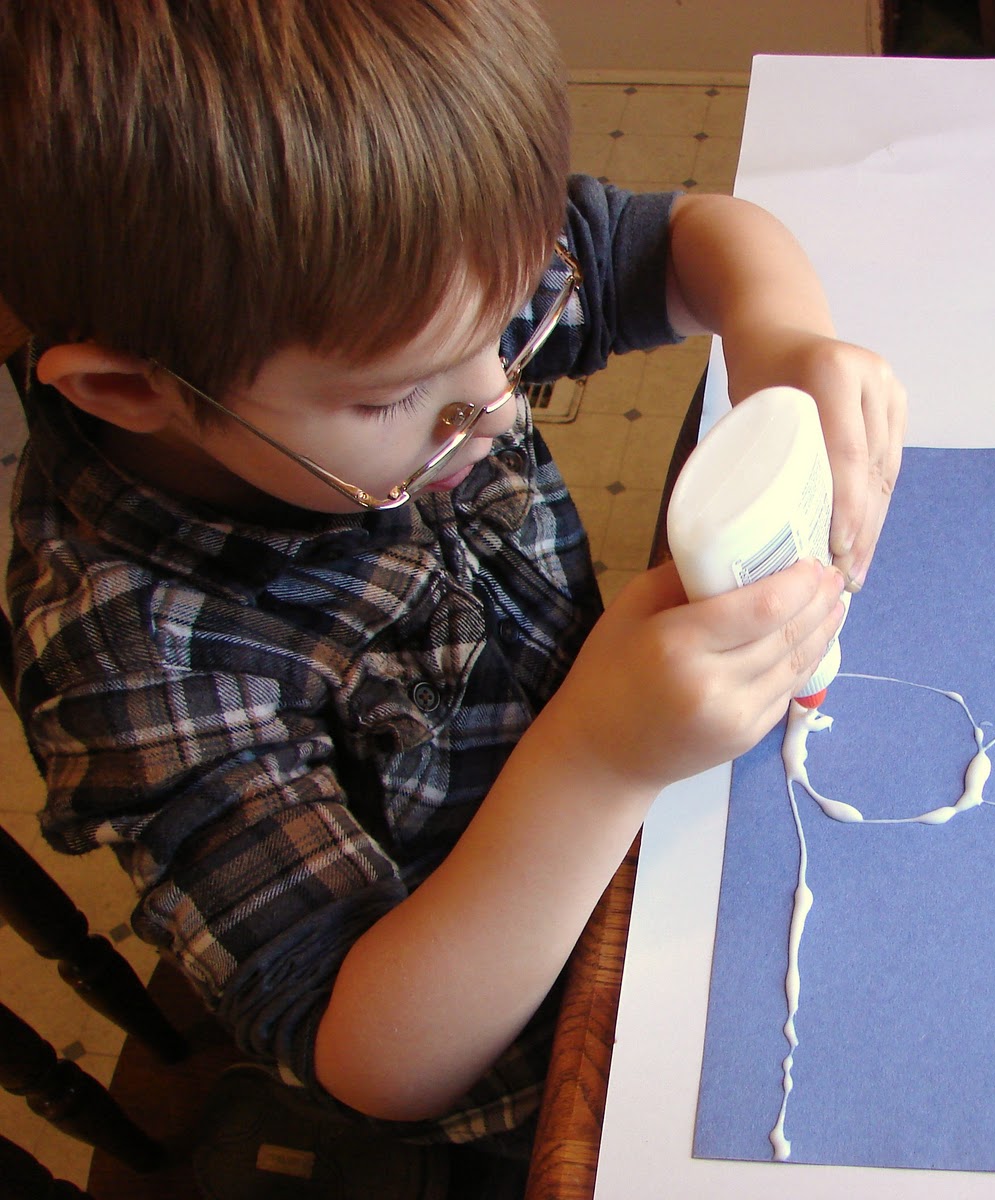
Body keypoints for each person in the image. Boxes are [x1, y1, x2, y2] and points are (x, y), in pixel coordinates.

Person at [0, 0, 905, 1180]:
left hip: (660, 838)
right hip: (531, 1045)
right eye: (398, 400)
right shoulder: (135, 658)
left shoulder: (409, 295)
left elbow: (687, 237)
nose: (502, 403)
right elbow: (380, 1061)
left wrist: (781, 337)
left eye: (509, 323)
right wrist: (600, 757)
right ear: (130, 393)